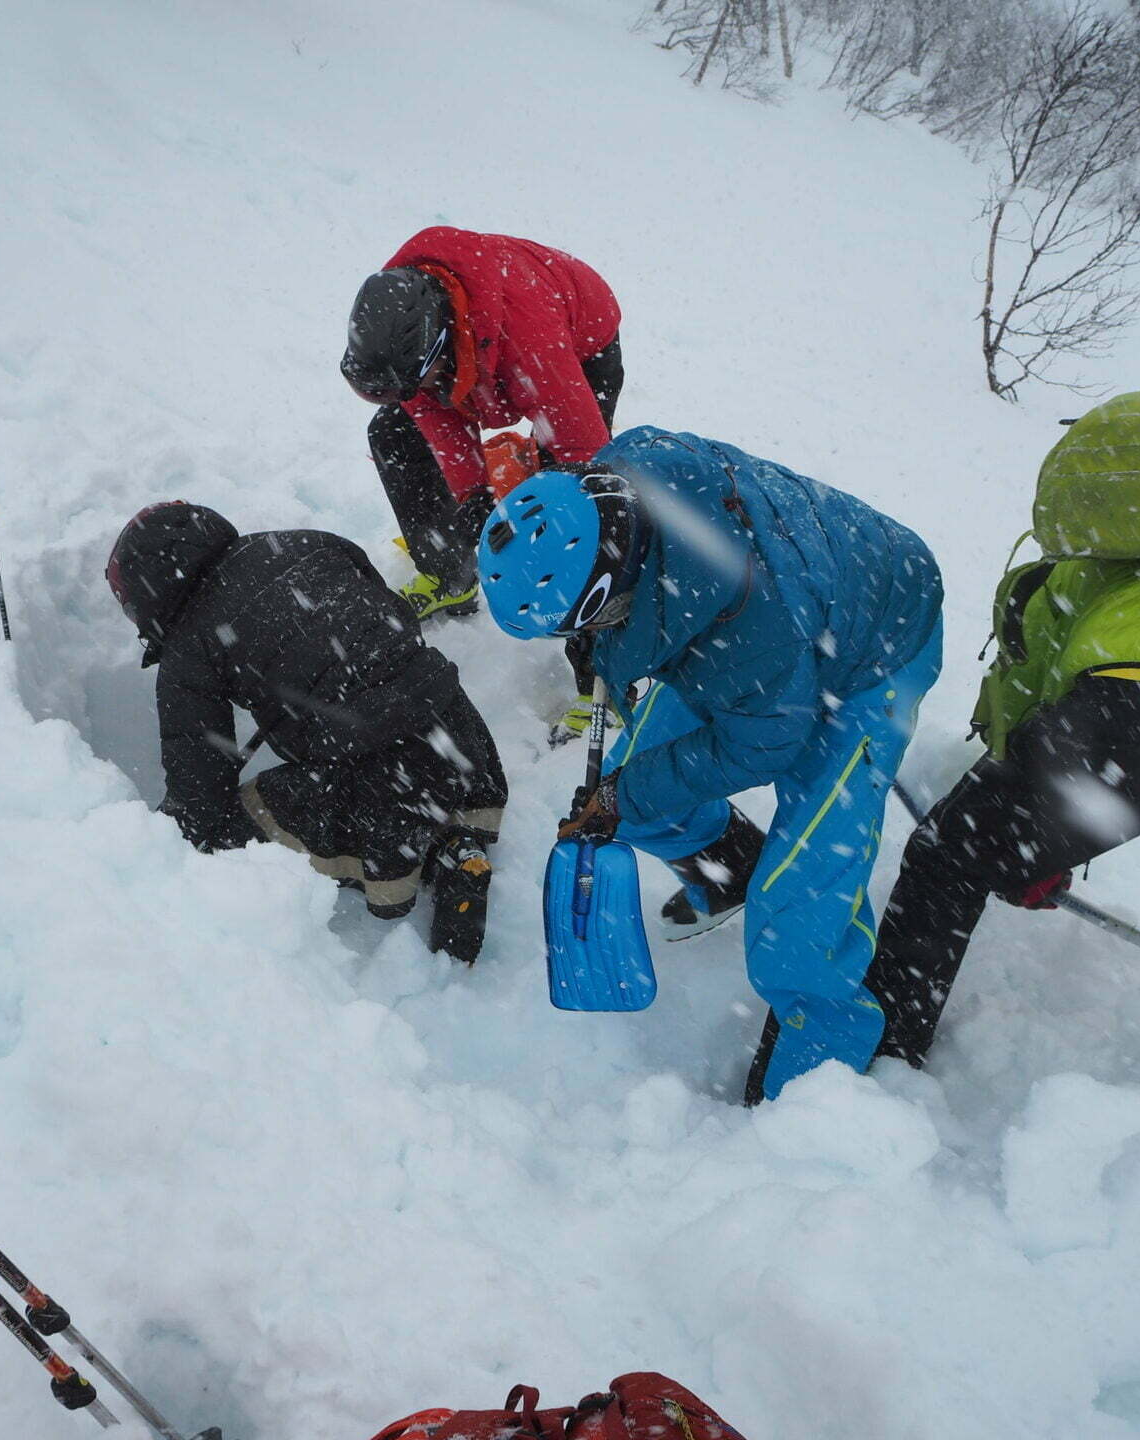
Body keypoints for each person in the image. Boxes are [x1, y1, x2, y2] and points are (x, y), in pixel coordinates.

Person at [865, 390, 1140, 1138]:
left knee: (948, 860)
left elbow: (1024, 702)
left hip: (1123, 709)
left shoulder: (1074, 574)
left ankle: (886, 1045)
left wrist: (1024, 847)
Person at [477, 425, 943, 1102]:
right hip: (767, 623)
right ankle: (731, 871)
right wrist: (602, 649)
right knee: (638, 802)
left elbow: (761, 744)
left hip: (874, 648)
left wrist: (620, 792)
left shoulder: (750, 628)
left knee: (798, 915)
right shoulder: (614, 494)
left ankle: (824, 1067)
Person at [106, 501, 508, 962]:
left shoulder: (187, 649)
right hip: (456, 730)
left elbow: (200, 787)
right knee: (402, 756)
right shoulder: (309, 543)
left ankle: (425, 855)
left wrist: (168, 839)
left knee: (234, 826)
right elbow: (391, 623)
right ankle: (457, 840)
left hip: (375, 778)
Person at [340, 227, 623, 743]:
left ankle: (604, 678)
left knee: (571, 499)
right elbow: (426, 408)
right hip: (477, 345)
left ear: (441, 349)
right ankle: (449, 574)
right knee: (393, 433)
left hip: (576, 339)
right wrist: (472, 494)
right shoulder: (404, 321)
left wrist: (552, 497)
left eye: (417, 383)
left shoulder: (531, 342)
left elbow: (591, 471)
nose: (415, 394)